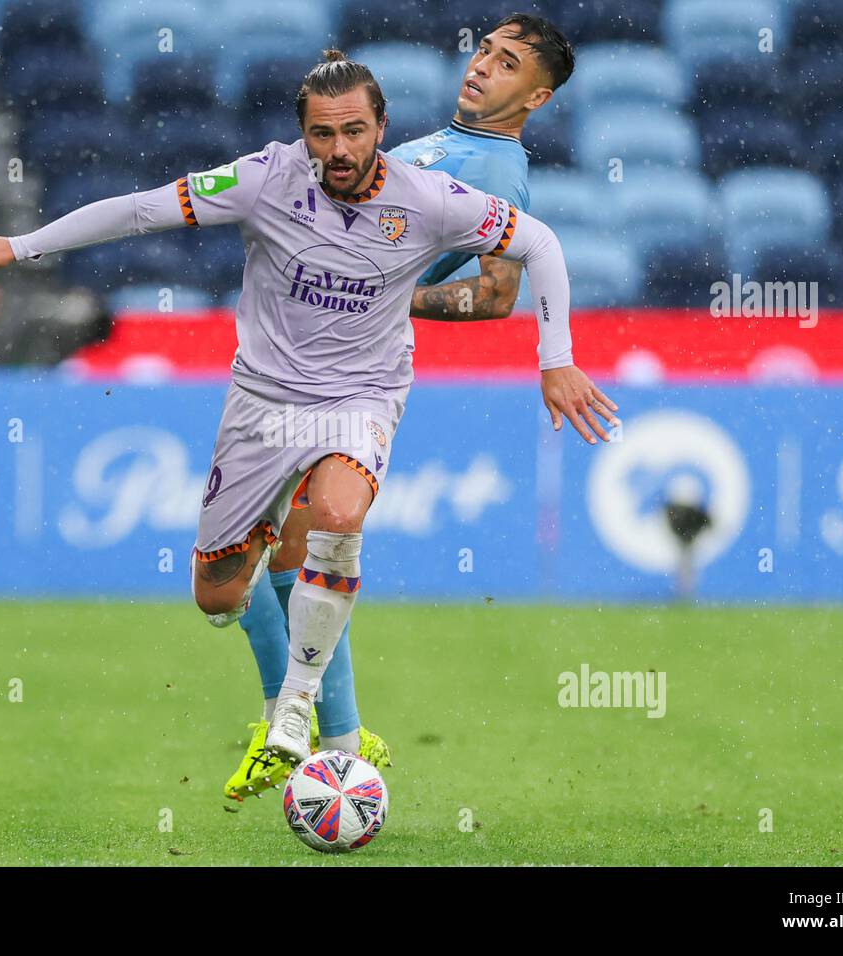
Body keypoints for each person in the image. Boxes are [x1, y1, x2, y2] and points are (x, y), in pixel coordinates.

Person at [0, 49, 618, 777]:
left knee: (340, 516)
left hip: (363, 392)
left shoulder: (430, 198)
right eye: (323, 135)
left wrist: (556, 358)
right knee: (218, 594)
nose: (341, 149)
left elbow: (538, 244)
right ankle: (292, 689)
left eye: (355, 130)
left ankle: (295, 707)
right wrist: (21, 246)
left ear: (382, 127)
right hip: (263, 402)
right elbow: (139, 211)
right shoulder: (262, 180)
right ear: (303, 137)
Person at [224, 13, 585, 804]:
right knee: (283, 554)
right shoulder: (441, 146)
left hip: (346, 377)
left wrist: (387, 298)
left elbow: (496, 295)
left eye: (509, 61)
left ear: (539, 94)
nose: (483, 64)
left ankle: (300, 726)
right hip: (292, 358)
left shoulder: (499, 171)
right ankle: (340, 736)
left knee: (281, 552)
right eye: (485, 48)